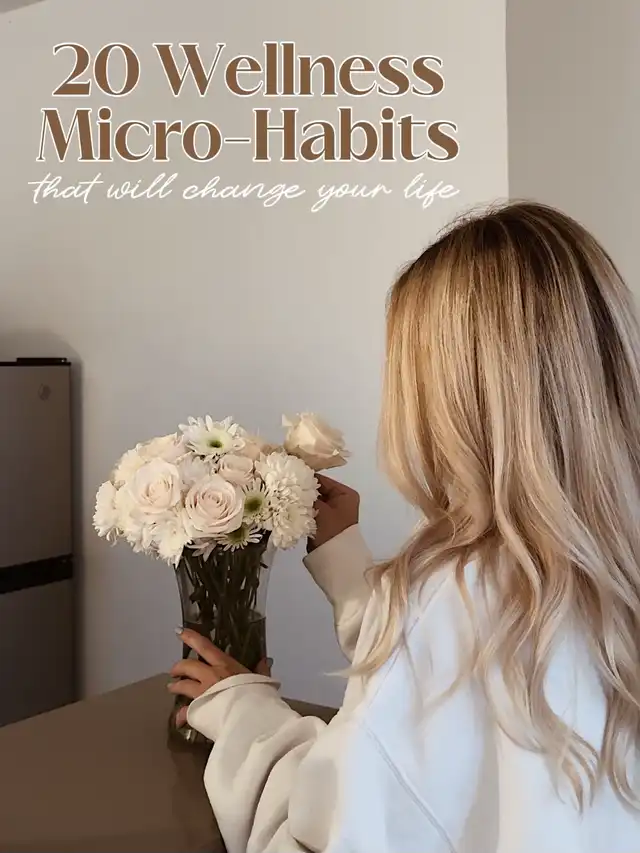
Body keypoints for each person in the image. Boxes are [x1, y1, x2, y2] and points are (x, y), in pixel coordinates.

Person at [168, 201, 640, 853]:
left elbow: (329, 832)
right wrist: (345, 559)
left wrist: (245, 713)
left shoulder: (454, 594)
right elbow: (468, 695)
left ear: (443, 397)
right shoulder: (603, 570)